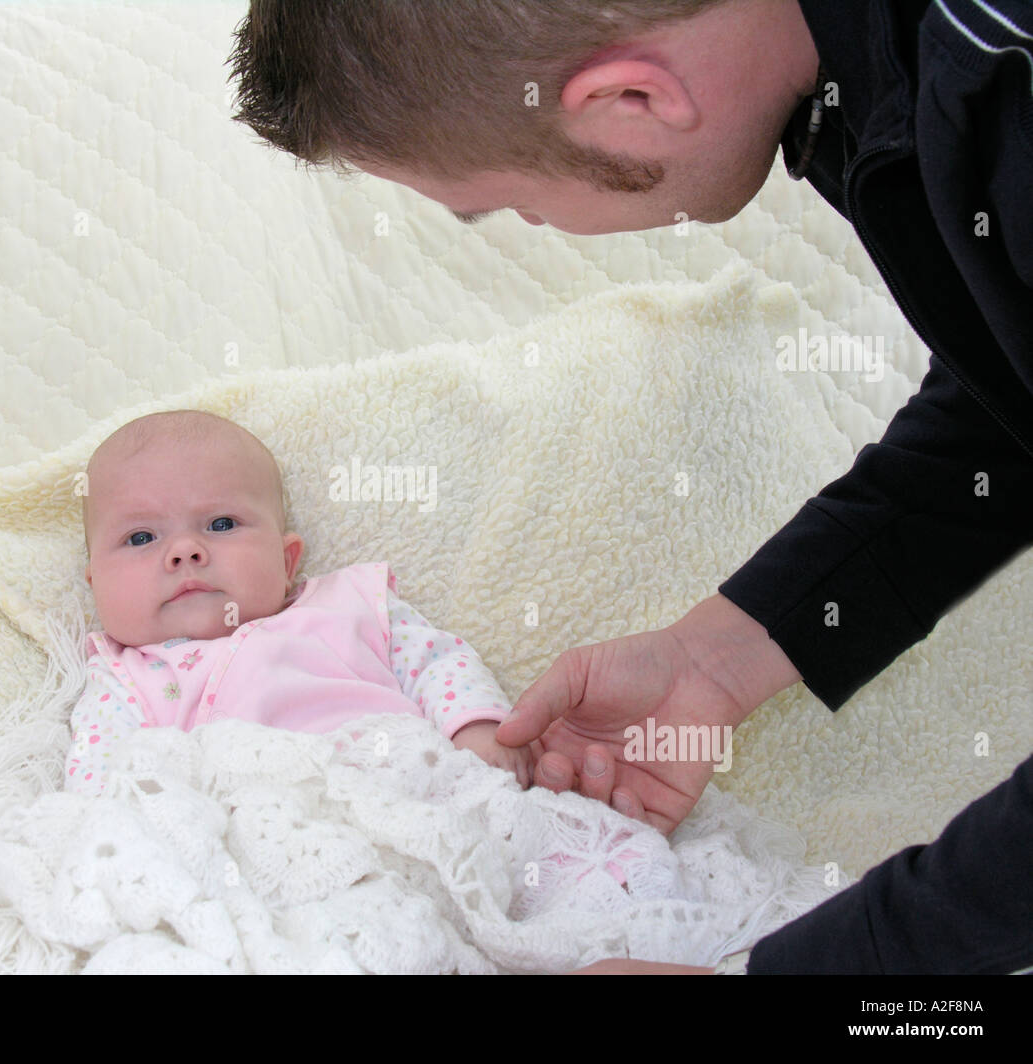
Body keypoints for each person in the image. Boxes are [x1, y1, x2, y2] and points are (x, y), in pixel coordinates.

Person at [227, 0, 1033, 973]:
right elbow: (1007, 401)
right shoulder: (843, 74)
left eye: (510, 202)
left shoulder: (999, 81)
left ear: (628, 98)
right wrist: (723, 655)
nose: (538, 224)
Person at [66, 409, 529, 795]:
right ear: (97, 584)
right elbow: (99, 784)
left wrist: (477, 730)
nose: (185, 551)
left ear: (286, 561)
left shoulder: (351, 605)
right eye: (141, 537)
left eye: (221, 524)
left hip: (405, 793)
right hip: (257, 837)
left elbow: (437, 664)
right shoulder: (127, 679)